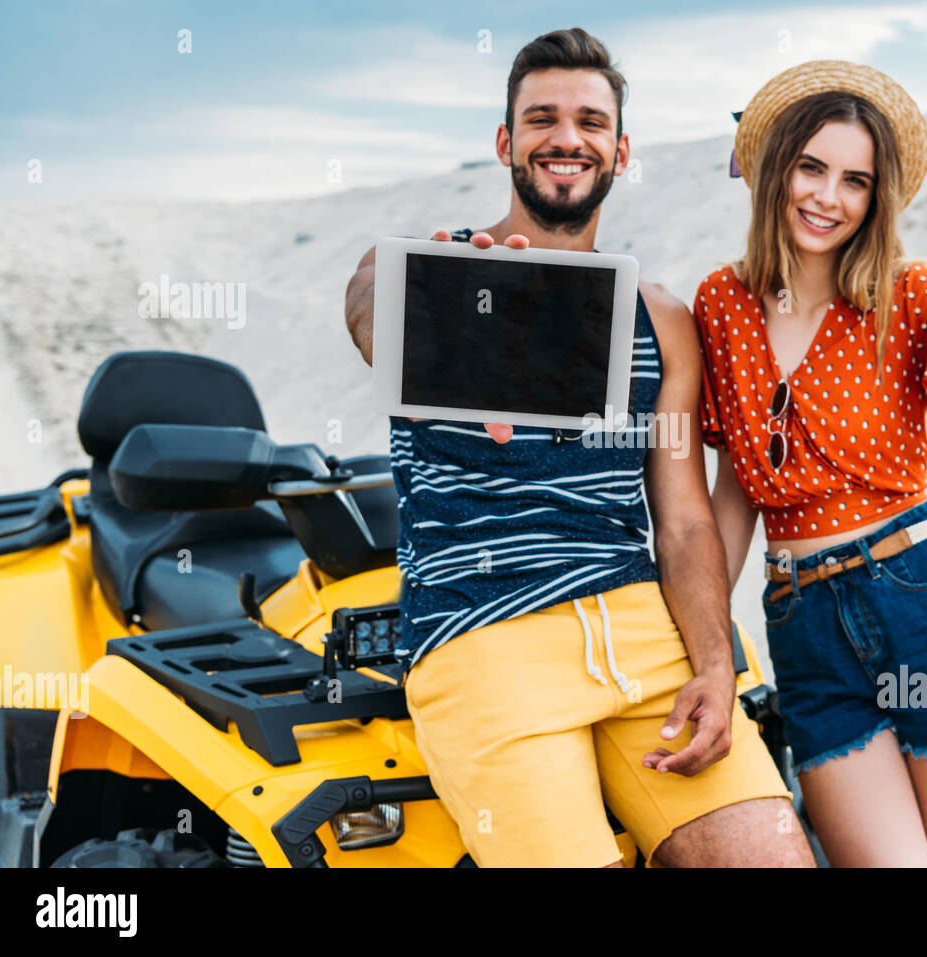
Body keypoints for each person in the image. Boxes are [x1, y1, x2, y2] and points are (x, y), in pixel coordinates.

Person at [344, 28, 813, 868]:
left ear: (621, 150)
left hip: (641, 635)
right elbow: (369, 304)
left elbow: (683, 523)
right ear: (506, 142)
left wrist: (715, 664)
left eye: (591, 121)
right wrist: (460, 328)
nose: (568, 138)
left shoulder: (662, 321)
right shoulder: (437, 273)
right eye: (542, 119)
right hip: (483, 639)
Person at [694, 60, 927, 867]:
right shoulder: (721, 304)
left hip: (922, 602)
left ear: (878, 198)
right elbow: (734, 499)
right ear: (774, 171)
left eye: (855, 180)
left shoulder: (912, 292)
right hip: (803, 627)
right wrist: (698, 641)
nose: (828, 196)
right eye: (811, 167)